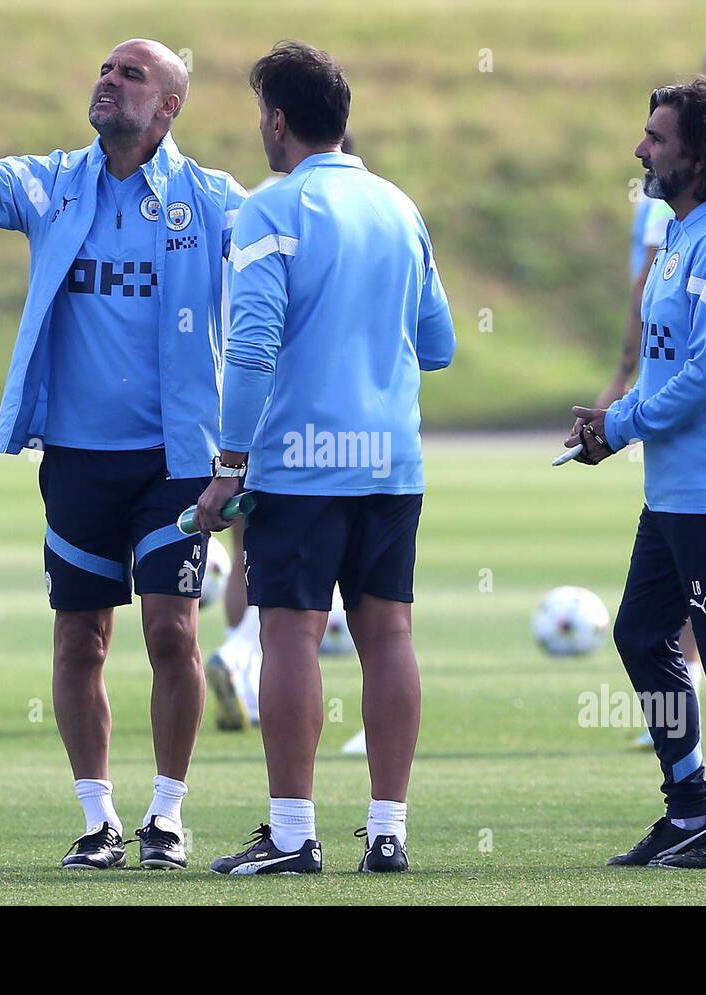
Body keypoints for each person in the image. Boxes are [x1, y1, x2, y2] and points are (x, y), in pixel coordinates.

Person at [0, 38, 247, 870]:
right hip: (78, 459)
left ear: (168, 106)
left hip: (174, 461)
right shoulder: (52, 184)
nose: (108, 81)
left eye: (132, 74)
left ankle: (167, 814)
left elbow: (287, 248)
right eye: (104, 68)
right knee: (79, 640)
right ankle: (98, 818)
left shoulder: (211, 200)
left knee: (171, 631)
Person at [196, 41, 454, 874]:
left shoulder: (271, 210)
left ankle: (293, 832)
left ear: (277, 119)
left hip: (301, 464)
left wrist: (229, 462)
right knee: (389, 635)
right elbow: (439, 343)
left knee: (291, 637)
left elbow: (252, 349)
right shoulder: (399, 207)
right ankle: (387, 830)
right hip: (390, 462)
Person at [569, 77, 706, 869]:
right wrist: (614, 416)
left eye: (656, 138)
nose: (641, 148)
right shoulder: (682, 234)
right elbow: (669, 372)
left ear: (698, 153)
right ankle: (690, 809)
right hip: (676, 490)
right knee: (638, 632)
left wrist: (618, 426)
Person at [205, 133, 360, 735]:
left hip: (243, 410)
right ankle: (246, 659)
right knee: (361, 604)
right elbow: (436, 343)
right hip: (330, 426)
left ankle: (241, 668)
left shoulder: (255, 210)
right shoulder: (371, 210)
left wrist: (229, 459)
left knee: (250, 555)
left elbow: (243, 336)